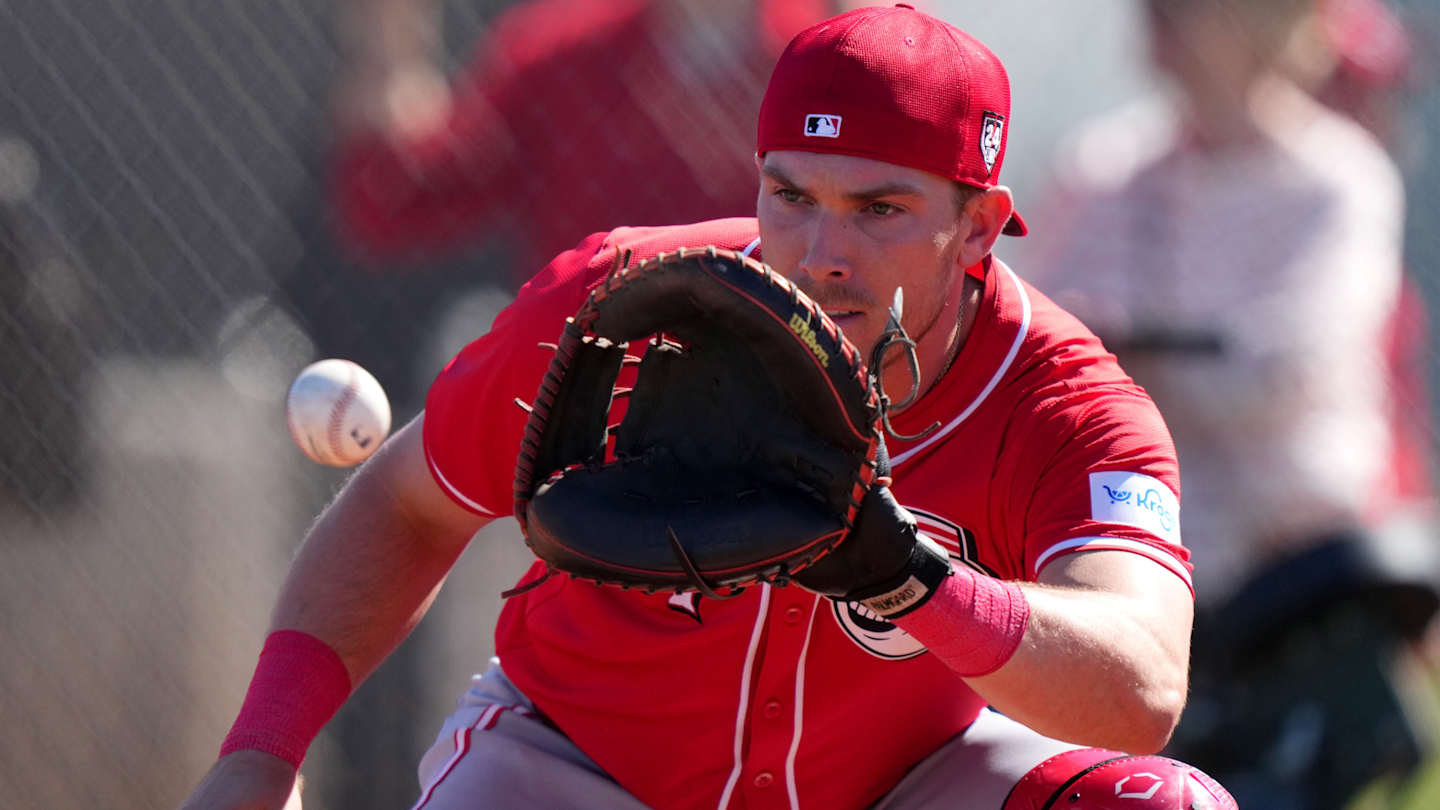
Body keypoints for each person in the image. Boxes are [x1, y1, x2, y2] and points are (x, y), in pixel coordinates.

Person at [180, 6, 1234, 809]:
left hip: (890, 787)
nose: (824, 254)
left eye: (879, 208)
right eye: (792, 196)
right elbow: (409, 501)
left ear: (978, 226)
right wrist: (259, 756)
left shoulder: (1063, 398)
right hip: (575, 768)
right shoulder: (631, 305)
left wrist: (912, 581)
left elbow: (1141, 688)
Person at [1025, 0, 1437, 805]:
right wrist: (1157, 349)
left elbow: (1287, 364)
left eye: (1183, 9)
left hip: (1286, 574)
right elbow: (1038, 333)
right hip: (1125, 535)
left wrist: (1132, 351)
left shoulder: (1333, 177)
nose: (1157, 22)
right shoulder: (1112, 168)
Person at [331, 0, 834, 287]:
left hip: (772, 388)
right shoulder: (562, 55)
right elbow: (397, 204)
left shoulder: (826, 55)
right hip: (585, 396)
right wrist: (388, 66)